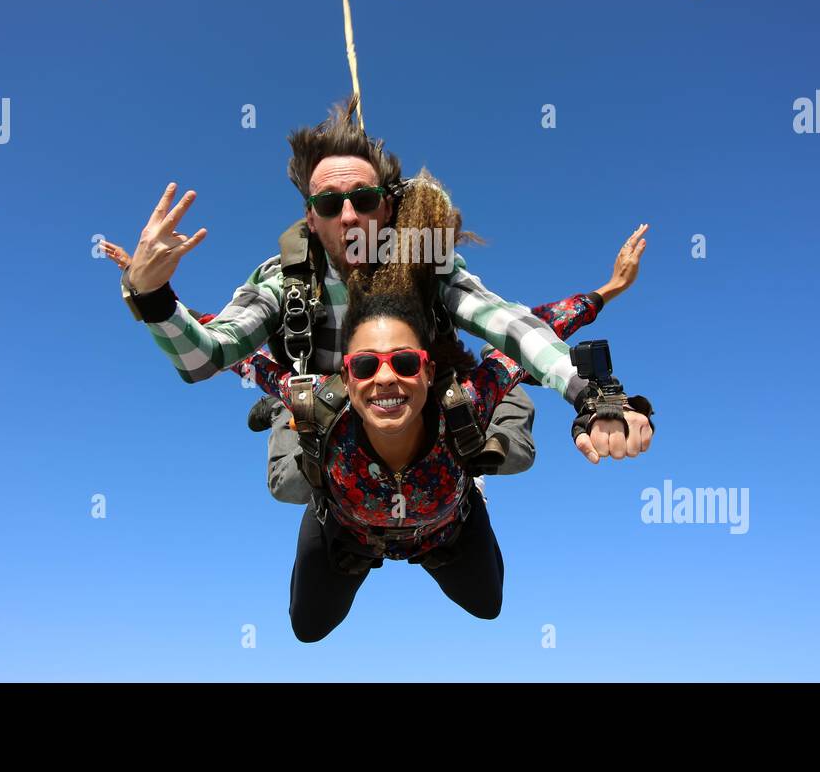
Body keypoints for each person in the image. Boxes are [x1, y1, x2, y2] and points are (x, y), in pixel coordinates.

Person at [108, 95, 653, 495]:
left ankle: (458, 480)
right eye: (328, 204)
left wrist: (587, 392)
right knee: (291, 483)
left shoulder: (424, 263)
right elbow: (208, 354)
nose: (348, 216)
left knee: (515, 451)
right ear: (310, 218)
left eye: (363, 198)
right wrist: (153, 296)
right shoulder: (284, 278)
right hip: (329, 401)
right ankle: (291, 419)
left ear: (386, 210)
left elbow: (510, 322)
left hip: (419, 401)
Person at [235, 263, 652, 641]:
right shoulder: (322, 403)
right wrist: (166, 299)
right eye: (364, 366)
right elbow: (240, 357)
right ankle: (281, 413)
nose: (384, 379)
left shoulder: (465, 402)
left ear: (428, 368)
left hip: (441, 529)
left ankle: (497, 412)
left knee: (488, 602)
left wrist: (600, 397)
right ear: (347, 375)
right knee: (306, 621)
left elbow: (535, 334)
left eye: (405, 363)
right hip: (348, 531)